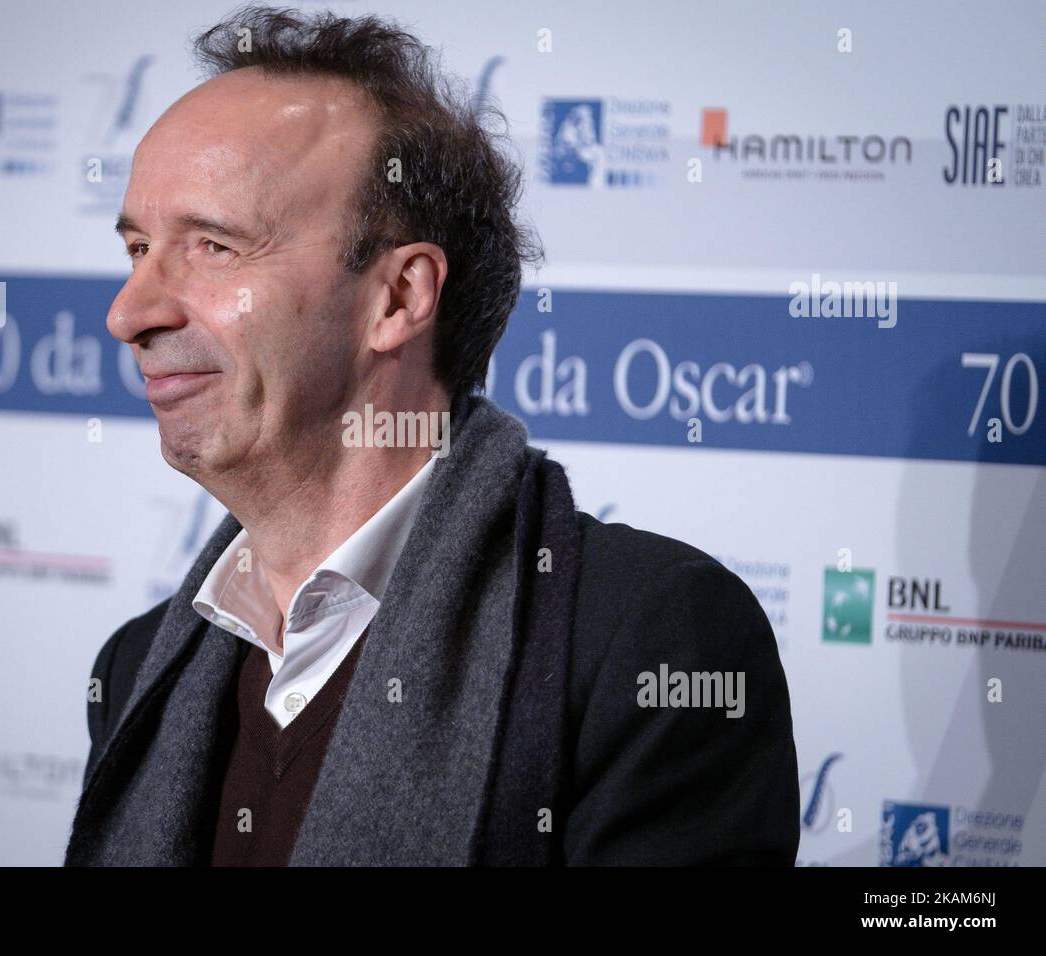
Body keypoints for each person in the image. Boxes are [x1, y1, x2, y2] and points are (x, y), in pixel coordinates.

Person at [64, 6, 798, 866]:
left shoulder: (644, 645)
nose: (129, 313)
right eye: (139, 248)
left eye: (214, 248)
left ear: (400, 299)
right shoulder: (136, 670)